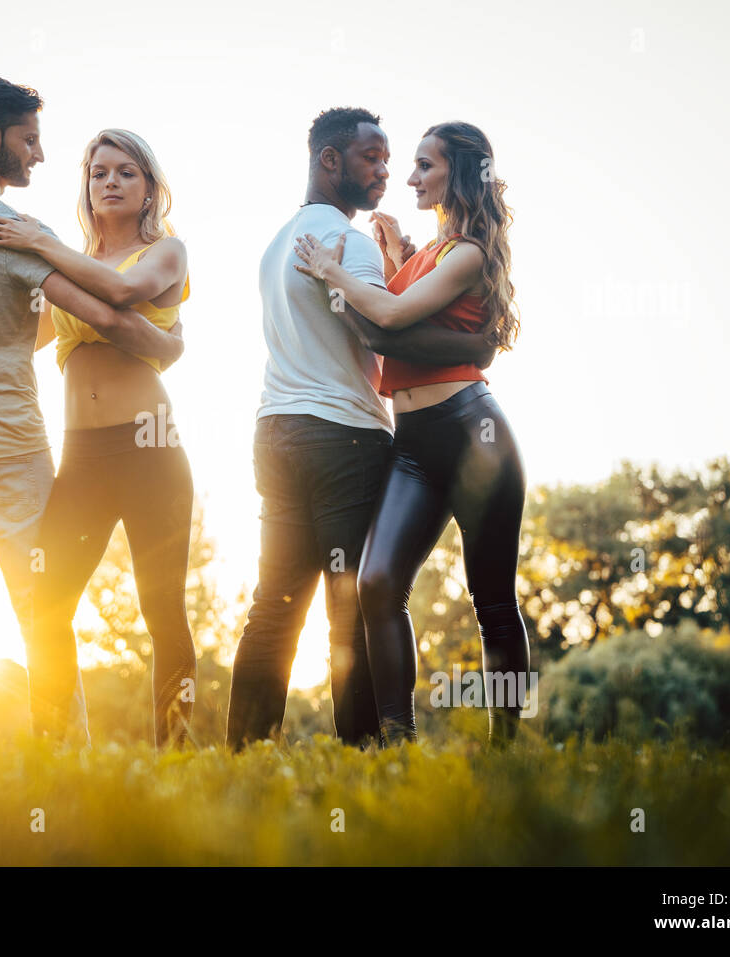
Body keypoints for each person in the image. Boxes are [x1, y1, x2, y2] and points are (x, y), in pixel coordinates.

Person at [0, 79, 183, 749]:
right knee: (42, 616)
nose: (40, 155)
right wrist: (171, 343)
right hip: (7, 458)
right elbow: (102, 314)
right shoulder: (17, 233)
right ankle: (63, 765)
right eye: (28, 139)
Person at [225, 108, 497, 751]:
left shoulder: (278, 242)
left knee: (275, 605)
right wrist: (479, 347)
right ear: (330, 161)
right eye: (372, 159)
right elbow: (385, 327)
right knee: (351, 606)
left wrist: (397, 253)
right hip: (343, 434)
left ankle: (245, 754)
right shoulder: (347, 245)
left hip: (275, 430)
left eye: (389, 160)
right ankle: (365, 756)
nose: (385, 173)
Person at [293, 121, 528, 748]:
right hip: (415, 442)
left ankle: (507, 754)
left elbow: (391, 315)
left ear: (458, 174)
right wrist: (397, 255)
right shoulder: (431, 252)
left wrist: (327, 270)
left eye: (424, 165)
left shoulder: (469, 253)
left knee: (492, 599)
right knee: (376, 583)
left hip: (473, 434)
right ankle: (397, 747)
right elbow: (398, 321)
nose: (409, 176)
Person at [0, 129, 195, 748]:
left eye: (126, 172)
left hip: (151, 449)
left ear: (149, 187)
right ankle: (55, 751)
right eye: (99, 173)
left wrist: (42, 246)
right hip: (83, 457)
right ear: (87, 185)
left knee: (162, 611)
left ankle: (175, 757)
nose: (111, 182)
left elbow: (121, 293)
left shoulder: (165, 251)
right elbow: (23, 338)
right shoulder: (65, 262)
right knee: (47, 604)